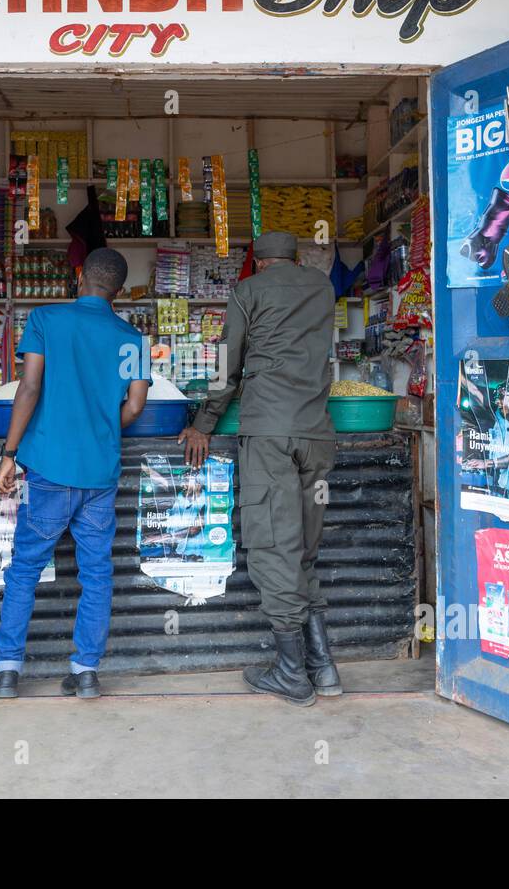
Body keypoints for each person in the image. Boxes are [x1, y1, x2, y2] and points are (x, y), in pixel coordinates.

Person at [176, 231, 339, 707]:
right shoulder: (323, 287)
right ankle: (323, 667)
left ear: (259, 262)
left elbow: (228, 365)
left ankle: (292, 674)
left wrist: (204, 422)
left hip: (270, 431)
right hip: (316, 433)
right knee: (305, 549)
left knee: (273, 545)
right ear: (292, 257)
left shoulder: (248, 291)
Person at [0, 248, 150, 700]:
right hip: (100, 473)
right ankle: (85, 674)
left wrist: (10, 452)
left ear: (79, 277)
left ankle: (6, 672)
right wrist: (97, 426)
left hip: (49, 469)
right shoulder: (132, 340)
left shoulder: (46, 321)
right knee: (96, 573)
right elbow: (135, 406)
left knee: (24, 569)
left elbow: (30, 386)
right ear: (118, 291)